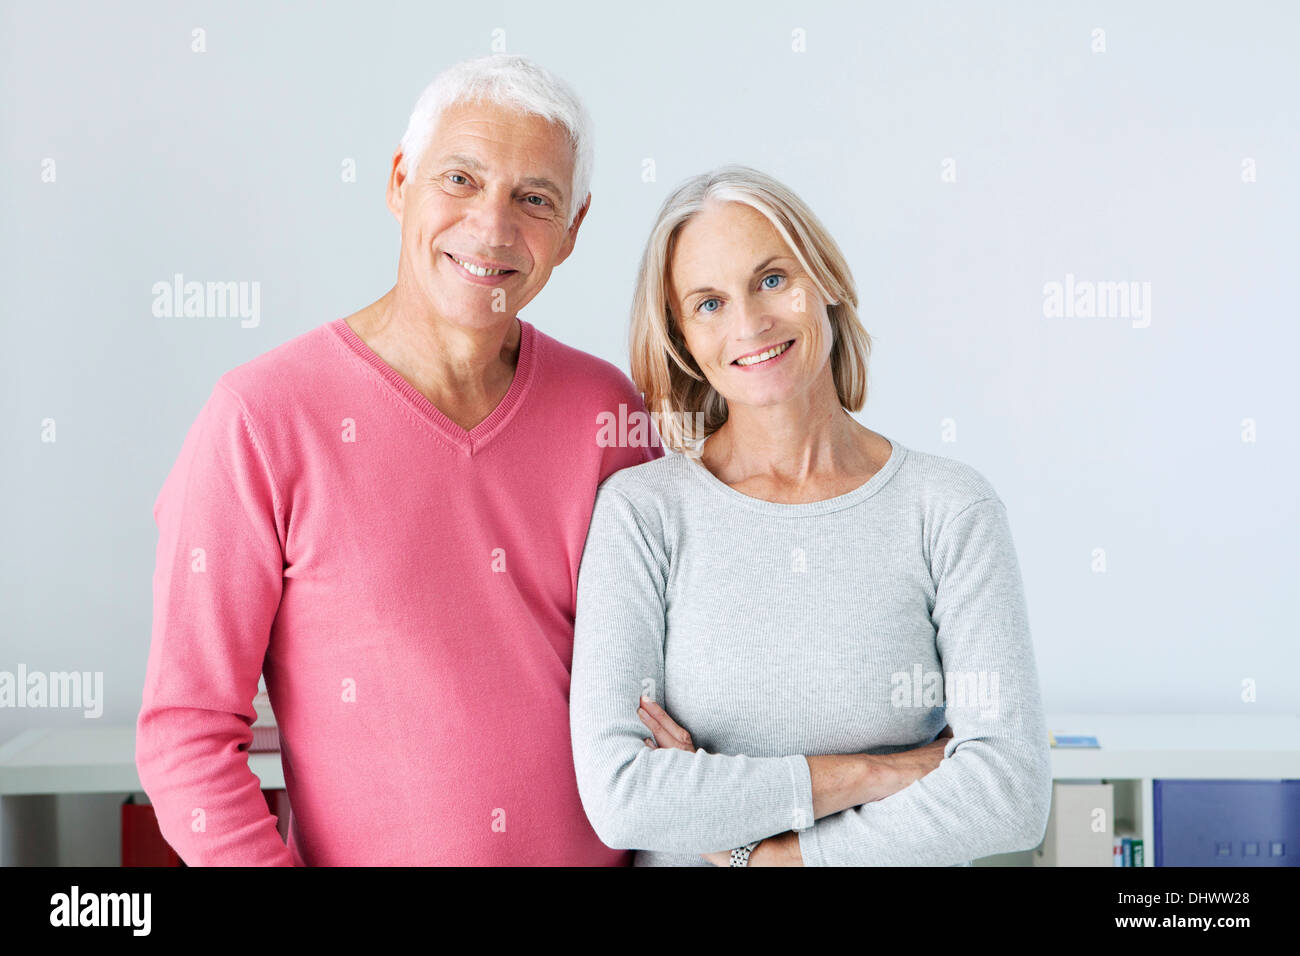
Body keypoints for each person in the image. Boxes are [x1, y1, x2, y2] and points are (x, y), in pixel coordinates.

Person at [136, 54, 661, 865]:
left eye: (534, 199)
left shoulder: (610, 414)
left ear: (572, 230)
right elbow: (186, 736)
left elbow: (667, 688)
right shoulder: (261, 418)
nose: (492, 226)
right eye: (459, 178)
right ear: (398, 182)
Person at [569, 165, 1052, 866]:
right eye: (708, 303)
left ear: (822, 281)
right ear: (682, 337)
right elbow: (624, 797)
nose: (750, 322)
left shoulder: (949, 509)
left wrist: (773, 857)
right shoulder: (644, 514)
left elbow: (1009, 792)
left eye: (772, 279)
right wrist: (874, 772)